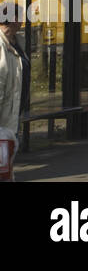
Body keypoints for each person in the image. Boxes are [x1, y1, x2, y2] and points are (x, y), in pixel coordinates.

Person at [0, 16, 26, 180]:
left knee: (7, 154)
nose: (22, 21)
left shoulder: (17, 42)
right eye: (18, 17)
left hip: (14, 108)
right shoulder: (1, 44)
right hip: (5, 108)